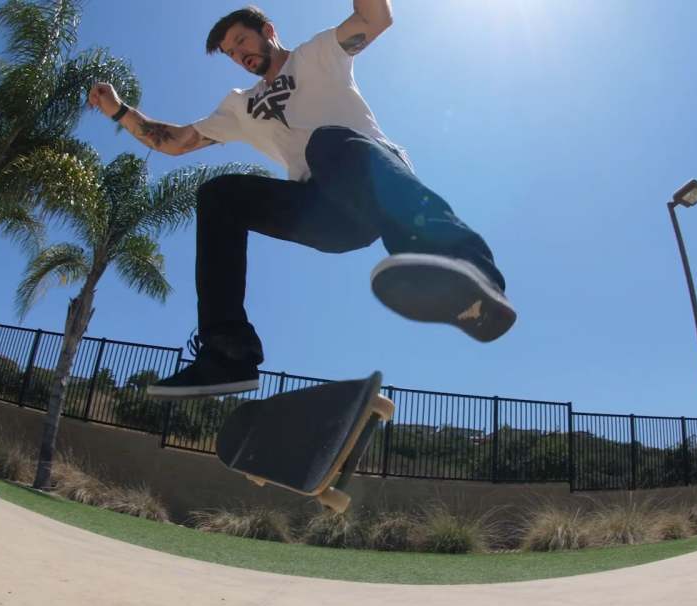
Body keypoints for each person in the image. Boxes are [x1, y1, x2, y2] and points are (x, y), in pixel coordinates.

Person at [87, 3, 515, 399]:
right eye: (231, 53)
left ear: (268, 31)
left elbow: (374, 20)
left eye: (242, 42)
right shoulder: (241, 105)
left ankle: (464, 269)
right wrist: (120, 111)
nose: (239, 55)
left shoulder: (317, 55)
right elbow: (176, 142)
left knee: (326, 143)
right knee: (219, 196)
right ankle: (227, 354)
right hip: (326, 215)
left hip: (373, 177)